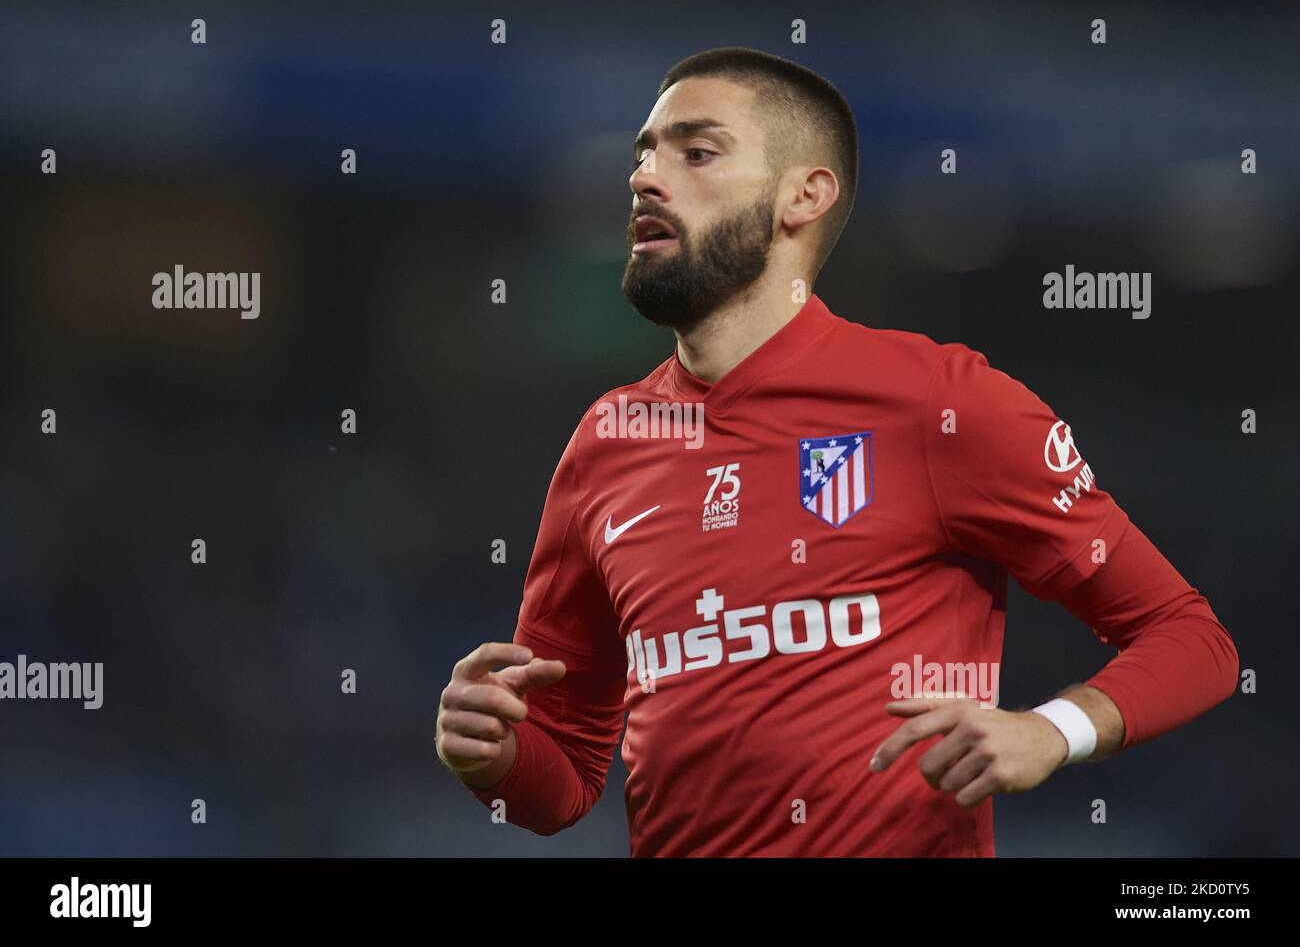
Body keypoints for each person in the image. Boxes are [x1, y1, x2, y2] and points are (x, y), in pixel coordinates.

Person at [435, 46, 1238, 856]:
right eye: (643, 153)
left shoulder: (941, 401)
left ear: (803, 195)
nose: (645, 177)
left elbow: (1191, 638)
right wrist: (495, 756)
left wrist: (1051, 730)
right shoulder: (609, 442)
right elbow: (565, 777)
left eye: (697, 151)